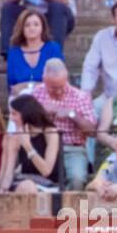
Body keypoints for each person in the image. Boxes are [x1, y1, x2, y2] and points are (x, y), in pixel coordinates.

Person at [30, 58, 94, 190]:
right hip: (43, 146)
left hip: (72, 148)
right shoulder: (35, 94)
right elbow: (25, 125)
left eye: (61, 86)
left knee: (78, 179)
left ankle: (69, 209)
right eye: (53, 88)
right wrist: (42, 113)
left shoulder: (80, 96)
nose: (59, 91)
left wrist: (72, 114)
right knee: (32, 180)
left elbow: (92, 131)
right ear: (44, 80)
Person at [6, 92, 62, 192]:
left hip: (48, 184)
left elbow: (46, 170)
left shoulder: (50, 132)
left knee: (28, 187)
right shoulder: (17, 134)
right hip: (25, 181)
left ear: (26, 113)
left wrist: (28, 146)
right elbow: (9, 171)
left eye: (14, 114)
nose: (11, 118)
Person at [6, 7, 63, 97]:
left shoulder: (53, 48)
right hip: (20, 98)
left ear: (42, 27)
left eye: (36, 25)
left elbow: (58, 80)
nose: (31, 28)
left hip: (48, 98)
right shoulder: (14, 51)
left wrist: (28, 86)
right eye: (27, 25)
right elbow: (12, 85)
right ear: (22, 29)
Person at [0, 0, 74, 59]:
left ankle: (53, 57)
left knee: (57, 7)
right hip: (29, 12)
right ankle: (9, 58)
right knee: (8, 8)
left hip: (58, 15)